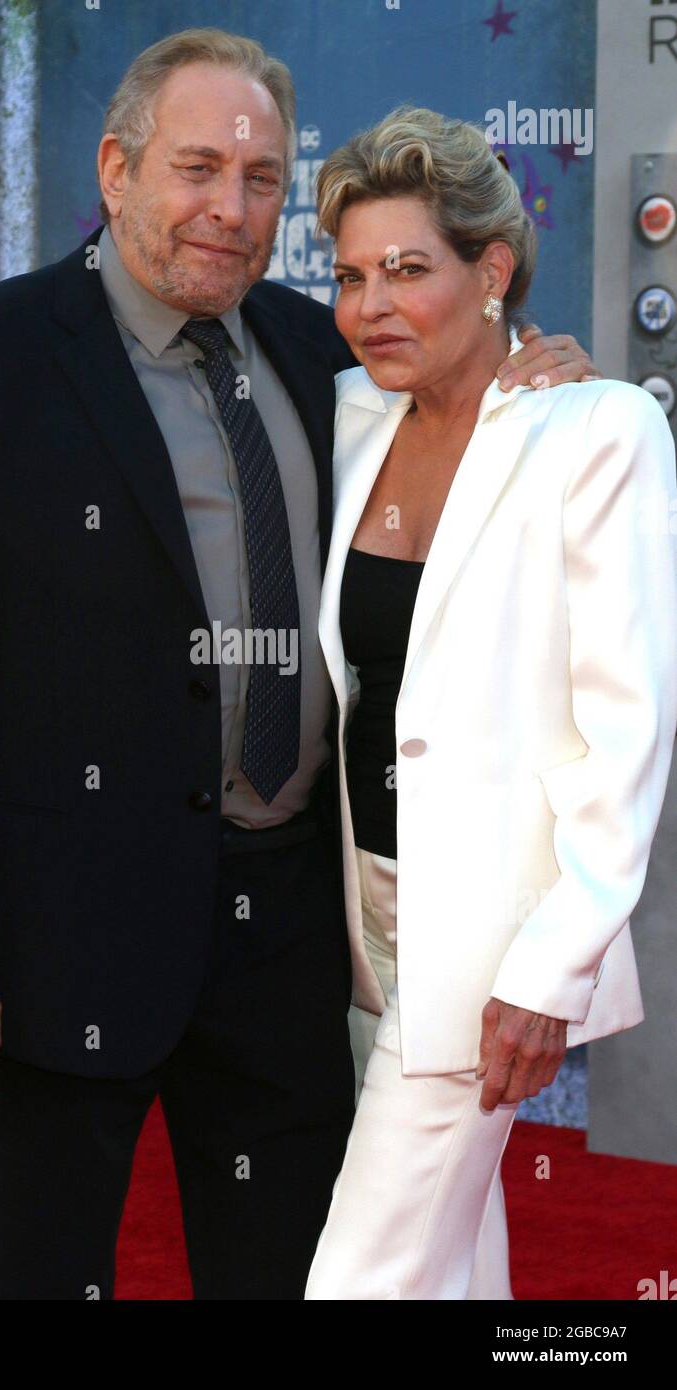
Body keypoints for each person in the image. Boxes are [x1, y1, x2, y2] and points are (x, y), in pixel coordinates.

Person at [0, 33, 599, 1300]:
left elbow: (467, 447)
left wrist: (542, 380)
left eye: (260, 180)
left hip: (283, 946)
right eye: (197, 168)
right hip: (54, 948)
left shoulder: (327, 355)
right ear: (115, 169)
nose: (230, 209)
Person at [304, 105, 677, 1301]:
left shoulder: (594, 432)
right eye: (352, 274)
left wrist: (553, 962)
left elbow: (625, 731)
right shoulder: (350, 420)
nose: (371, 304)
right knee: (447, 1257)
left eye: (409, 269)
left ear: (492, 269)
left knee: (362, 1274)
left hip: (491, 944)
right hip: (366, 913)